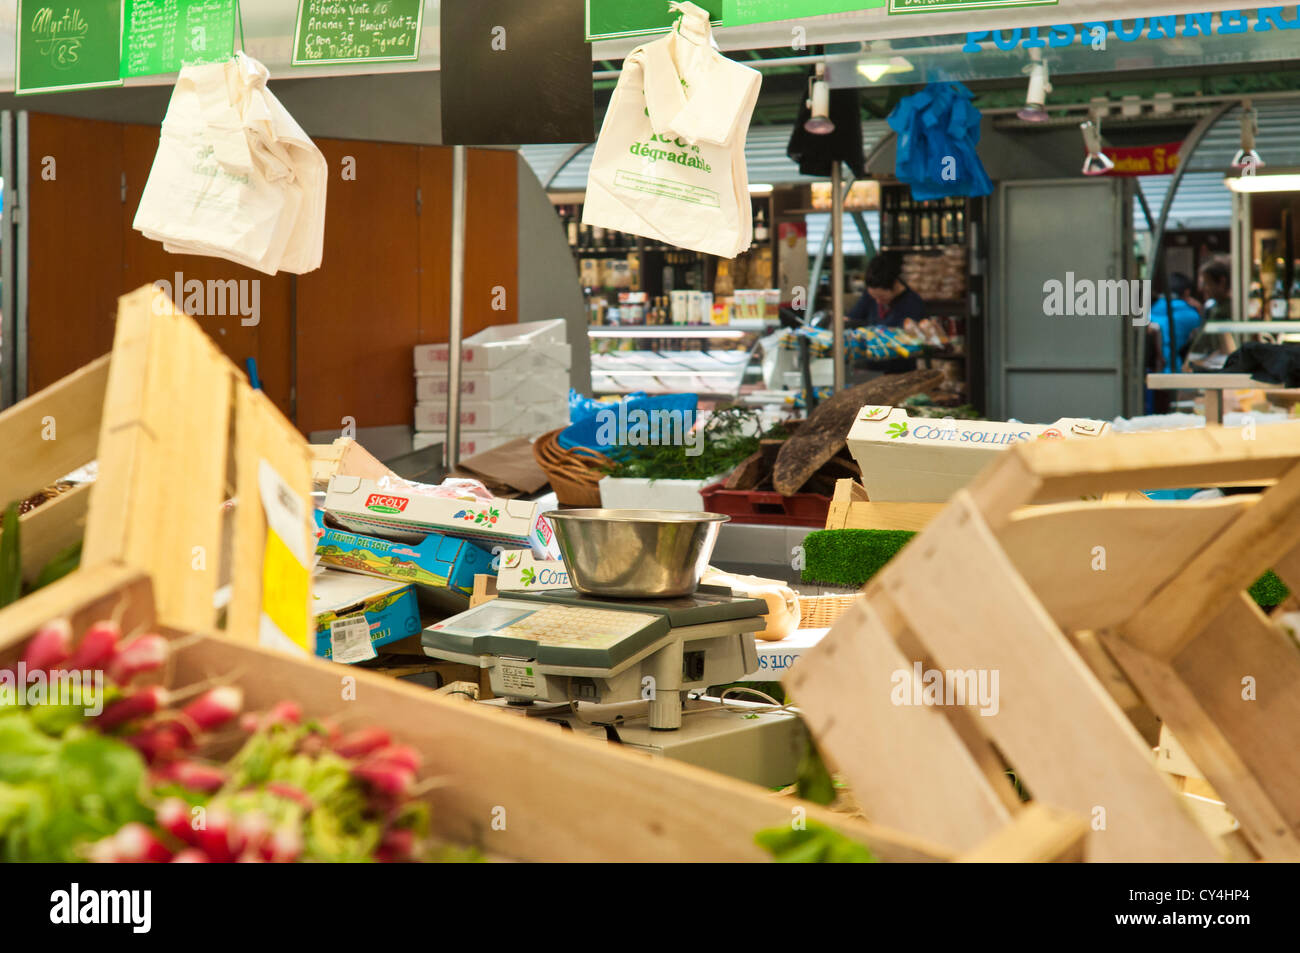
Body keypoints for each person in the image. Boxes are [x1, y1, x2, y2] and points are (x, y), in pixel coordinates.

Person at [846, 251, 926, 329]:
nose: (878, 302)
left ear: (895, 285)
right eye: (874, 297)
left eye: (882, 297)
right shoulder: (869, 295)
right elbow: (852, 318)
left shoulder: (913, 304)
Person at [1185, 257, 1237, 370]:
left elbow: (1226, 350)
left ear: (1222, 282)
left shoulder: (1227, 311)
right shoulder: (1214, 308)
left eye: (1207, 283)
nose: (1204, 288)